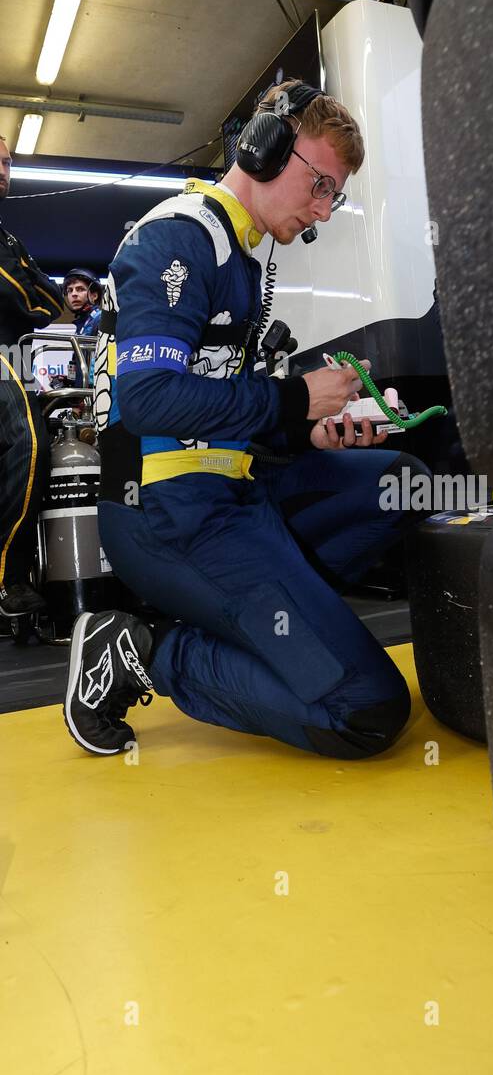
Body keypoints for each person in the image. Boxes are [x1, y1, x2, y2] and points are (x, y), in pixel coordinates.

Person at [63, 80, 432, 758]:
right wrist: (293, 399)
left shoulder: (240, 253)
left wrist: (311, 427)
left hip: (234, 493)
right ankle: (148, 650)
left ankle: (267, 618)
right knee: (367, 710)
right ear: (264, 151)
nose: (321, 212)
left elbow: (221, 409)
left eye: (334, 195)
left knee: (400, 481)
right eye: (319, 184)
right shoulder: (178, 239)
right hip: (167, 516)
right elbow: (147, 401)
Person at [0, 133, 64, 618]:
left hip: (14, 354)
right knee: (31, 442)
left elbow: (49, 300)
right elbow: (28, 299)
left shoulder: (8, 238)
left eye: (6, 163)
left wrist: (33, 293)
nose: (2, 171)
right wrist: (32, 293)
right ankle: (9, 579)